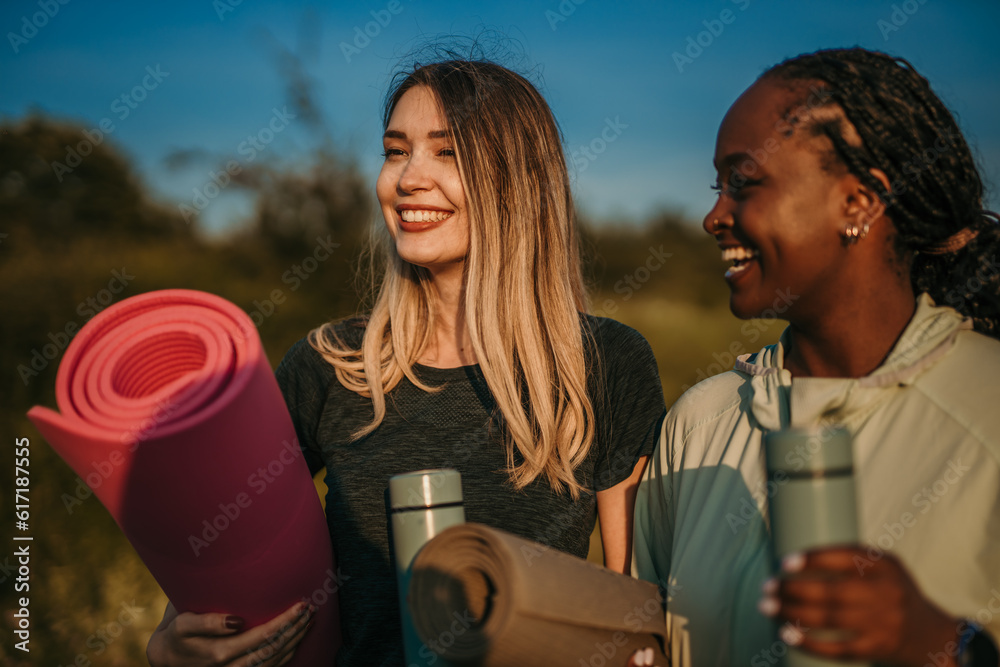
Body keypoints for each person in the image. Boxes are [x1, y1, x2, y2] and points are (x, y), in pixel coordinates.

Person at [147, 58, 666, 666]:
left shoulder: (604, 363)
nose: (408, 178)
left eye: (447, 153)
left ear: (519, 182)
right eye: (396, 151)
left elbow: (636, 617)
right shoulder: (328, 365)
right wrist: (171, 647)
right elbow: (226, 563)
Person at [631, 47, 1000, 667]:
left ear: (859, 203)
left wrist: (940, 646)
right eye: (717, 186)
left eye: (743, 183)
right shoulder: (698, 424)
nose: (712, 216)